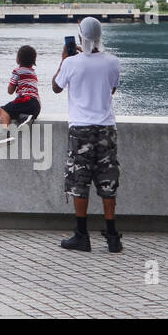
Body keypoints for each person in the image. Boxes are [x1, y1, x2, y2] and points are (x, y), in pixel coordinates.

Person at [51, 17, 122, 252]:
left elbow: (56, 87)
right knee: (107, 180)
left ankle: (81, 235)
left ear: (80, 36)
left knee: (79, 181)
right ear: (100, 36)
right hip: (106, 129)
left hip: (80, 129)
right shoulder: (112, 61)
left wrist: (64, 61)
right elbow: (111, 89)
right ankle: (112, 237)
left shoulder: (72, 63)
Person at [0, 44, 40, 136]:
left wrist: (14, 84)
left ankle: (4, 134)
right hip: (36, 106)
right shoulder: (33, 73)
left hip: (25, 100)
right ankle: (26, 118)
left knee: (1, 110)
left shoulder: (17, 71)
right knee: (17, 110)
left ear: (18, 59)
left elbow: (10, 91)